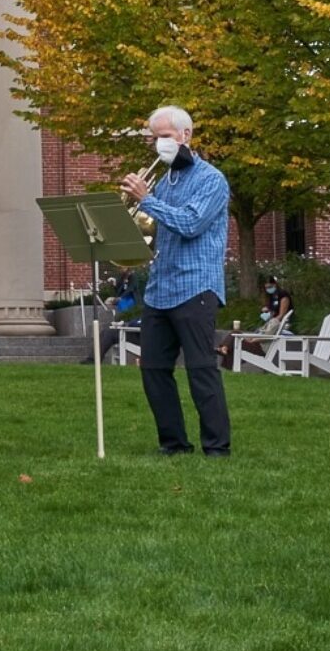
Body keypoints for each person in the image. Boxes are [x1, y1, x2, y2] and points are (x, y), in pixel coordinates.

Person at [122, 105, 233, 457]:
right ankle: (173, 445)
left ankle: (217, 448)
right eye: (153, 138)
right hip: (160, 287)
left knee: (201, 370)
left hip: (196, 286)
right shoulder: (162, 180)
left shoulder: (211, 179)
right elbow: (151, 228)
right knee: (153, 369)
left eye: (165, 137)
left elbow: (190, 224)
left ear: (186, 135)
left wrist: (146, 200)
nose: (159, 144)